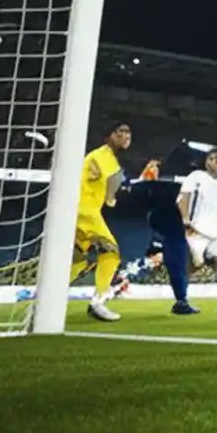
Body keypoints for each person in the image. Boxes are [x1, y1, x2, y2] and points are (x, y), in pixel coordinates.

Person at [71, 122, 131, 321]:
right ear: (109, 136)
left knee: (77, 261)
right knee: (111, 252)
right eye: (121, 132)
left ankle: (44, 301)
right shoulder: (103, 156)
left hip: (78, 211)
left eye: (128, 133)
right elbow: (112, 188)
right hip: (85, 212)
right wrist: (114, 195)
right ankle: (98, 302)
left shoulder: (105, 158)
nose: (126, 136)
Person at [178, 147, 217, 314]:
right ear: (206, 162)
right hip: (196, 228)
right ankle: (181, 301)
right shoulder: (196, 176)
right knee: (192, 265)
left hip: (215, 230)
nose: (215, 160)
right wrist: (185, 220)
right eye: (211, 157)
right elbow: (183, 198)